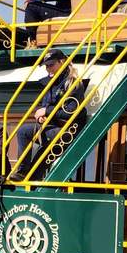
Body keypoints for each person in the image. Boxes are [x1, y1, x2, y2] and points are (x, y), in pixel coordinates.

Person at [11, 49, 85, 179]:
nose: (48, 68)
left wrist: (47, 111)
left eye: (51, 65)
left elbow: (72, 112)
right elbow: (46, 105)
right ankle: (22, 171)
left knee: (41, 160)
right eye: (46, 65)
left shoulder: (73, 82)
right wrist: (42, 116)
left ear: (61, 62)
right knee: (23, 131)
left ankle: (30, 177)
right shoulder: (50, 82)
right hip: (52, 126)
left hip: (68, 130)